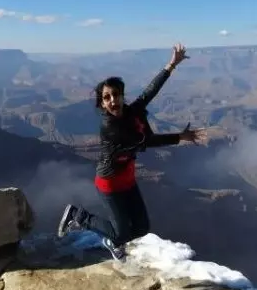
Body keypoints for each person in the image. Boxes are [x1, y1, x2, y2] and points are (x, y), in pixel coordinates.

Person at [57, 43, 208, 261]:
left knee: (141, 228)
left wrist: (171, 65)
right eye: (106, 97)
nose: (112, 100)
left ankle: (111, 241)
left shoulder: (132, 111)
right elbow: (145, 141)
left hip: (127, 179)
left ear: (122, 96)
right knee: (122, 233)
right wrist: (180, 137)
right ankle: (78, 216)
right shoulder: (110, 127)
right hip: (109, 183)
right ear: (102, 103)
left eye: (116, 95)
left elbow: (150, 91)